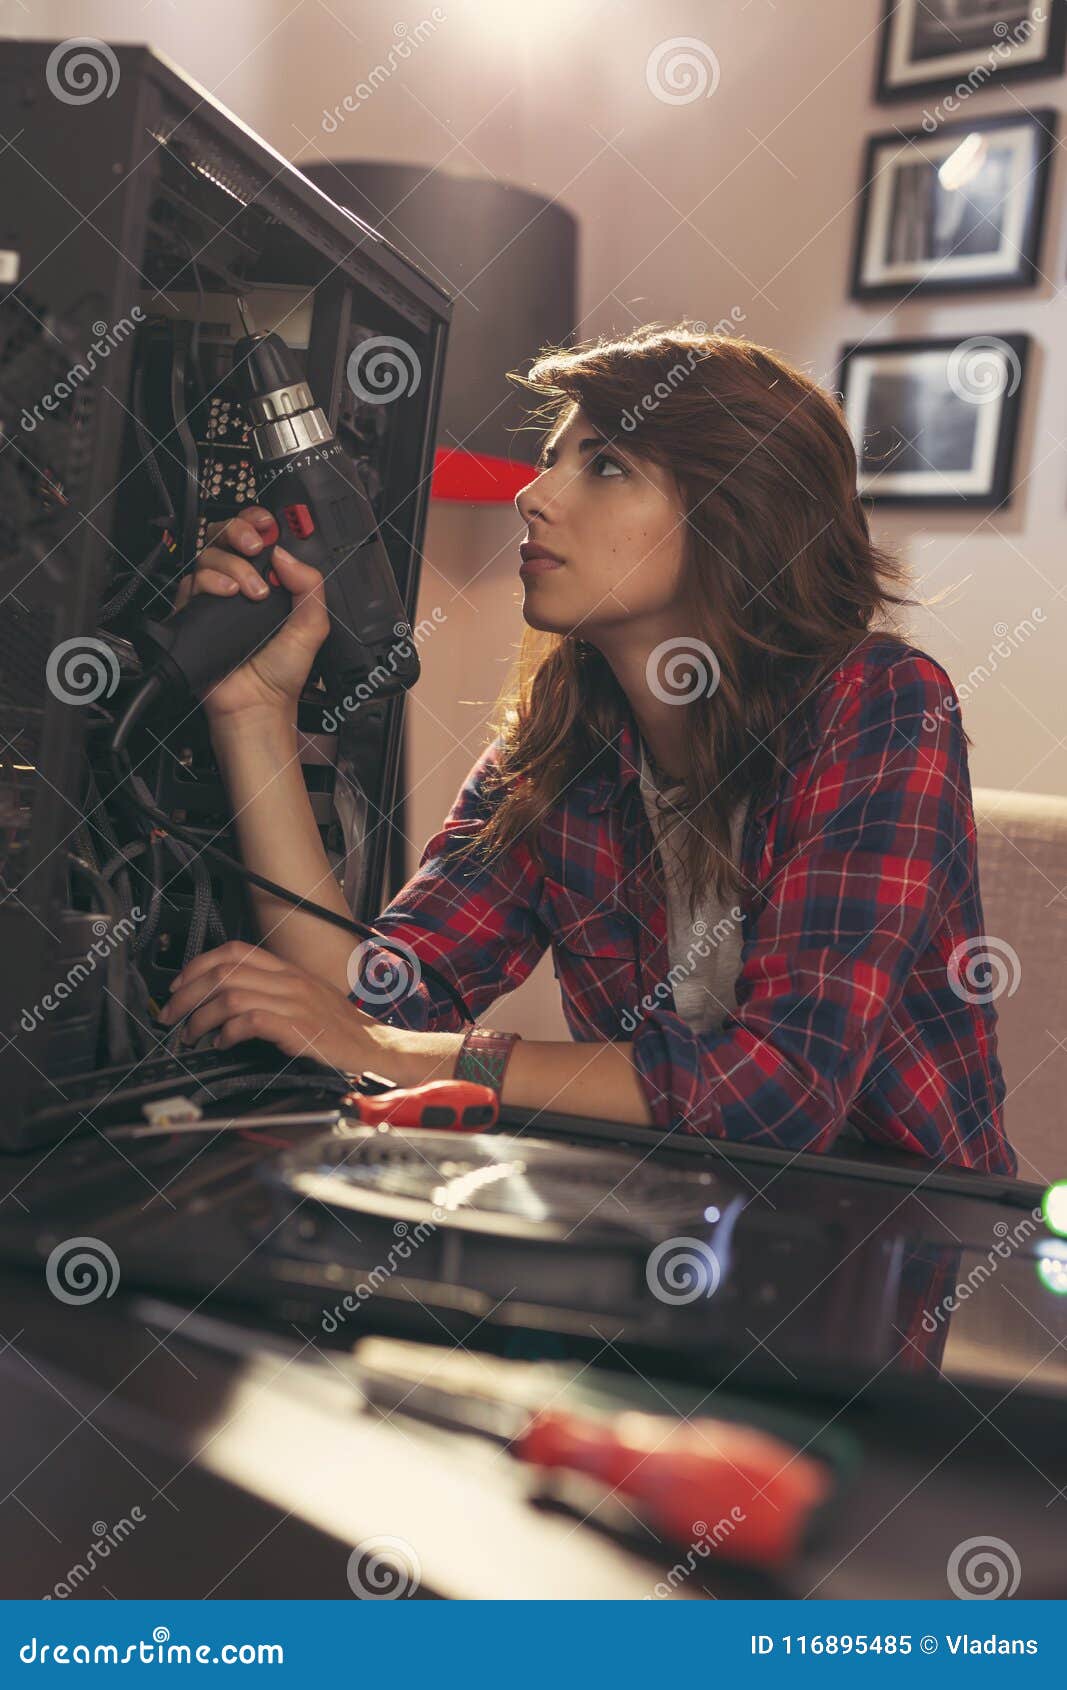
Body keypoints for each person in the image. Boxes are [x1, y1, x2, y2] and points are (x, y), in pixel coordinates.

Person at [159, 323, 1016, 1175]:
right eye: (550, 459)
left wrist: (393, 1050)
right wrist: (254, 714)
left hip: (891, 1227)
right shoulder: (559, 742)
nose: (533, 496)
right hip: (656, 1216)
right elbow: (373, 1006)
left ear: (739, 513)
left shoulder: (881, 703)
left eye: (606, 465)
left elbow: (780, 1090)